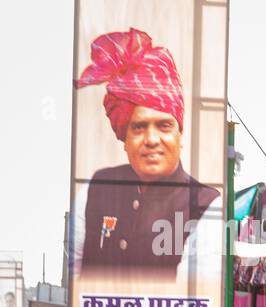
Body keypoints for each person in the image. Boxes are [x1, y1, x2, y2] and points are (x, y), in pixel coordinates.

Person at [73, 28, 220, 280]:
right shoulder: (95, 189)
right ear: (124, 138)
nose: (152, 140)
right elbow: (76, 271)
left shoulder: (205, 205)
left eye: (164, 126)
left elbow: (200, 296)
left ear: (179, 134)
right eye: (139, 127)